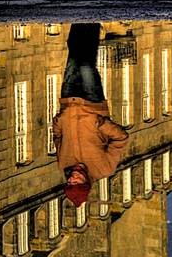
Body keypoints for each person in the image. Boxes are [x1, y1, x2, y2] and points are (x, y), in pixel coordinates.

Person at [51, 22, 128, 207]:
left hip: (69, 104)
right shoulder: (104, 168)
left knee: (72, 60)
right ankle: (92, 24)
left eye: (69, 182)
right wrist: (101, 124)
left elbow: (57, 137)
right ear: (85, 183)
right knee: (85, 65)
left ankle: (79, 22)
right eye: (76, 183)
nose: (72, 179)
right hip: (93, 106)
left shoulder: (63, 165)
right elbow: (121, 139)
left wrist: (59, 121)